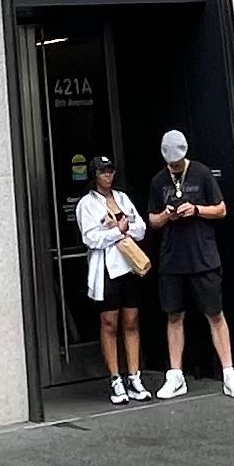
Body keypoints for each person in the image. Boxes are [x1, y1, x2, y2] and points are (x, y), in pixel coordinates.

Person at [146, 127, 234, 399]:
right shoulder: (159, 181)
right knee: (174, 315)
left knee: (215, 313)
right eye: (170, 162)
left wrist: (196, 209)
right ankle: (175, 375)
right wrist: (167, 215)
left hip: (203, 256)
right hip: (172, 258)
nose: (174, 166)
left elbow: (221, 209)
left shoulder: (201, 173)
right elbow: (152, 221)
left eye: (178, 162)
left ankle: (229, 373)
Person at [72, 158, 153, 403]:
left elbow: (140, 228)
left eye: (110, 171)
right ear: (94, 175)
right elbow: (90, 238)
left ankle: (134, 376)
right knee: (109, 324)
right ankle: (115, 378)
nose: (107, 176)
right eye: (102, 172)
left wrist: (121, 229)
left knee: (131, 321)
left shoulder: (123, 198)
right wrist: (118, 230)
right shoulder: (87, 204)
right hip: (107, 270)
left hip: (129, 267)